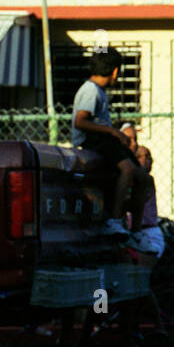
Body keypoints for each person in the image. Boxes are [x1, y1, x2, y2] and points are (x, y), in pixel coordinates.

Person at [70, 48, 149, 243]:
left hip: (105, 139)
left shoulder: (99, 92)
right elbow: (80, 122)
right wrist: (113, 132)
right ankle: (113, 221)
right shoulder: (90, 90)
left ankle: (136, 230)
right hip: (93, 140)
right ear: (114, 71)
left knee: (143, 178)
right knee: (127, 169)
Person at [131, 144, 165, 257]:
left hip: (149, 231)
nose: (149, 160)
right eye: (144, 156)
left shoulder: (148, 179)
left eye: (149, 157)